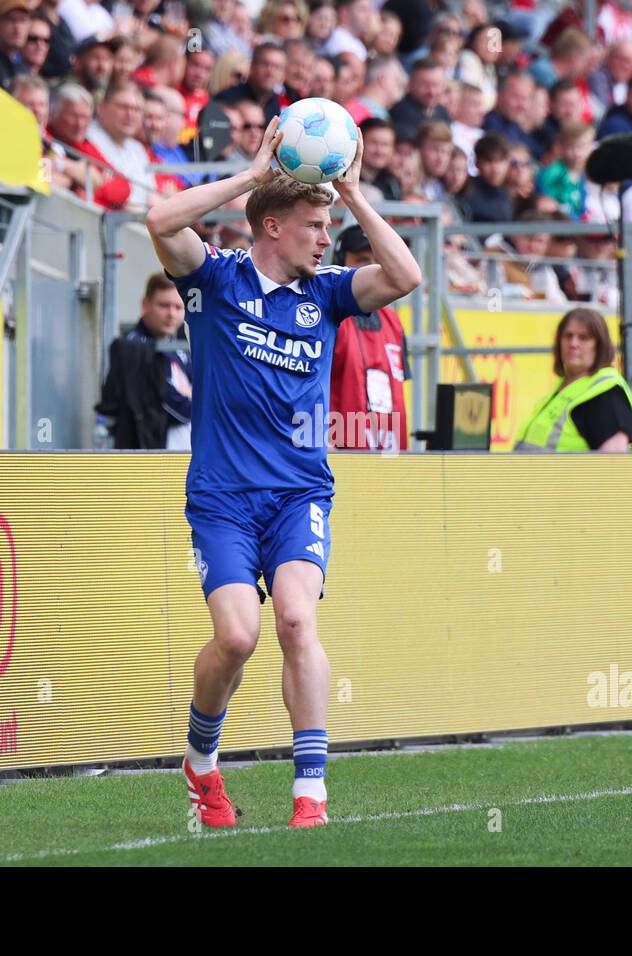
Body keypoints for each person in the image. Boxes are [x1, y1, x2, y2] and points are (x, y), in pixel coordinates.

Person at [145, 114, 420, 828]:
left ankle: (311, 794)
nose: (326, 240)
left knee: (297, 619)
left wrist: (354, 195)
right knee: (237, 637)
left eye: (328, 228)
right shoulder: (215, 280)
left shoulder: (325, 295)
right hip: (222, 499)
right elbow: (158, 217)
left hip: (299, 494)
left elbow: (405, 275)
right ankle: (201, 761)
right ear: (271, 227)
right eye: (313, 225)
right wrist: (251, 175)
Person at [328, 225, 410, 451]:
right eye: (363, 259)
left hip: (390, 459)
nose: (375, 268)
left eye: (378, 259)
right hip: (339, 457)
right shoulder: (326, 317)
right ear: (340, 261)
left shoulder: (394, 322)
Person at [514, 307, 632, 453]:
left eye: (583, 337)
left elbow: (612, 464)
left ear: (599, 345)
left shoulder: (605, 393)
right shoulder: (567, 386)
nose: (573, 343)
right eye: (568, 336)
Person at [96, 272, 192, 449]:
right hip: (152, 461)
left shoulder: (178, 346)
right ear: (145, 305)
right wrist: (194, 398)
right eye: (164, 305)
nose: (171, 314)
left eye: (178, 307)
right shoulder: (134, 349)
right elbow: (174, 407)